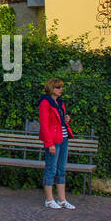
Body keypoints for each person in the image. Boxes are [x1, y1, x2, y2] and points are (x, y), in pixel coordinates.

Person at [38, 77, 76, 210]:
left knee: (61, 170)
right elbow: (44, 125)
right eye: (58, 87)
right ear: (51, 88)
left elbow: (60, 122)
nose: (61, 90)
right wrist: (49, 144)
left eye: (61, 87)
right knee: (51, 169)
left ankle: (62, 200)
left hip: (64, 138)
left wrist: (67, 120)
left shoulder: (60, 103)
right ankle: (49, 200)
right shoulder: (45, 102)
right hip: (53, 141)